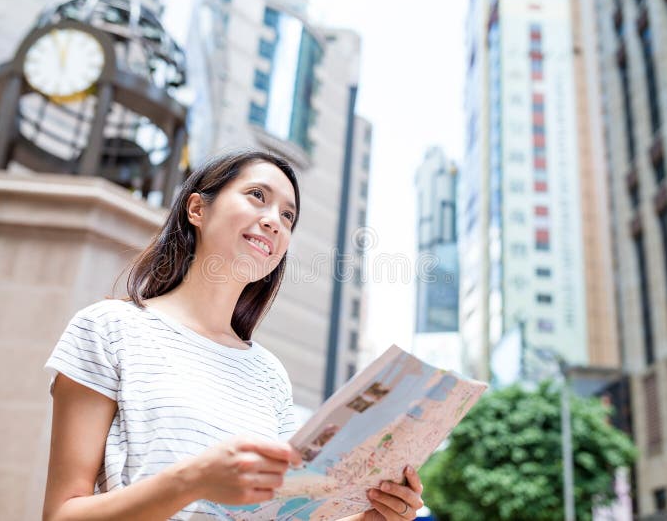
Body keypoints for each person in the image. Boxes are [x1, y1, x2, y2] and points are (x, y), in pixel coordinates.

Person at [42, 150, 424, 521]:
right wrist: (192, 480)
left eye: (288, 216)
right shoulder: (109, 328)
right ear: (197, 209)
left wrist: (367, 518)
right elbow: (62, 513)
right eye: (258, 196)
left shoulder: (270, 375)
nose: (275, 221)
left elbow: (285, 515)